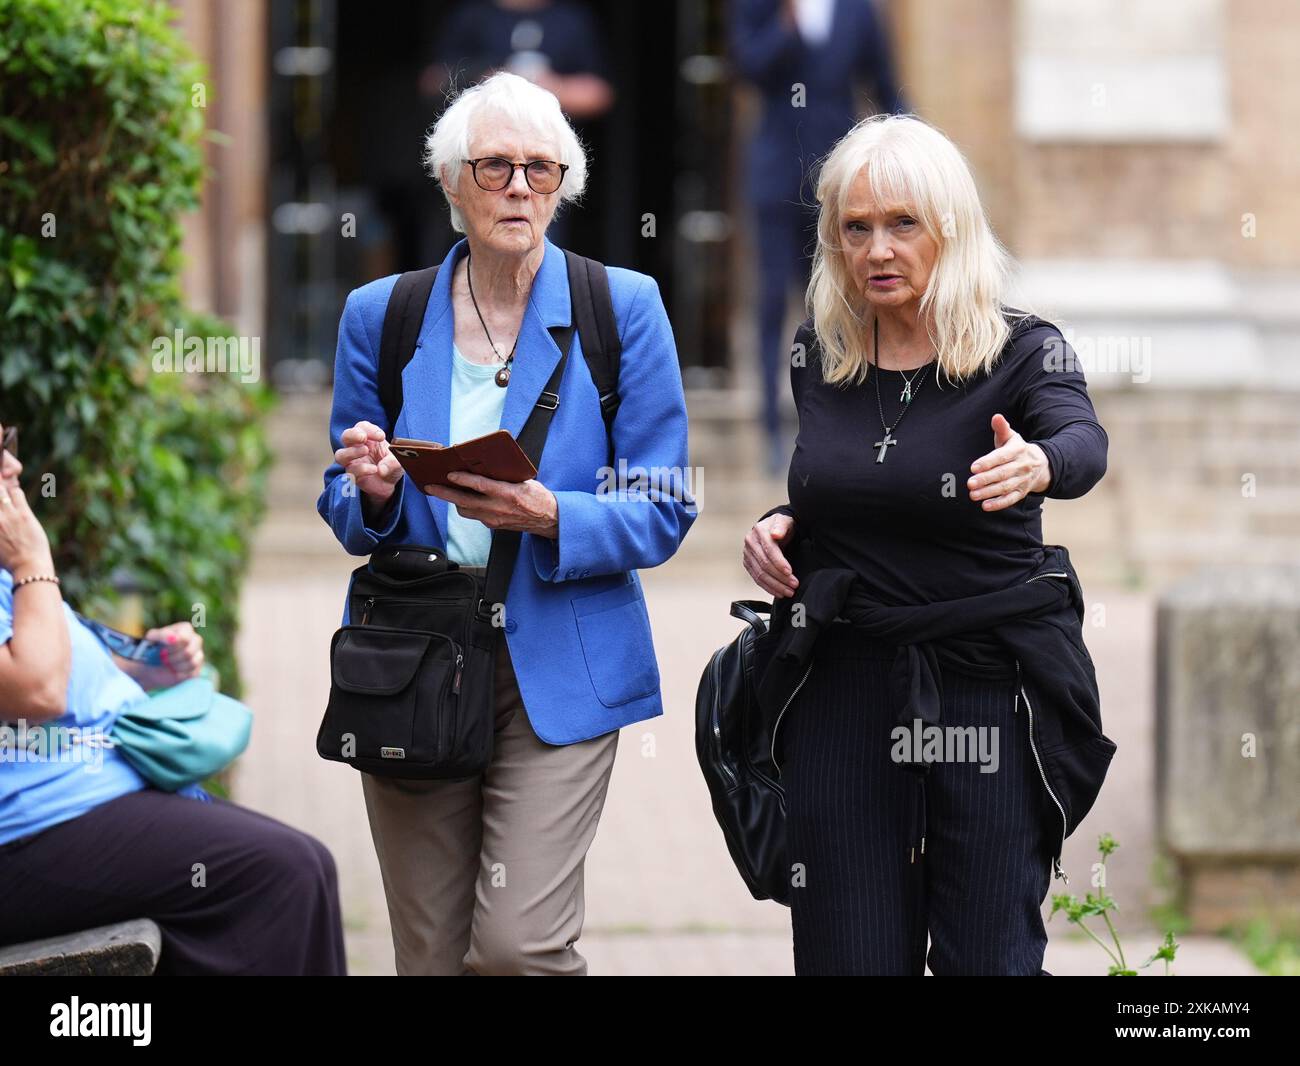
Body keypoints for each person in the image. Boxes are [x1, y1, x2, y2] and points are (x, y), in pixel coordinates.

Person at [317, 71, 696, 976]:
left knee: (519, 946)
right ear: (451, 183)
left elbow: (665, 501)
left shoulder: (623, 307)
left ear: (565, 183)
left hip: (558, 664)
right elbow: (340, 495)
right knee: (431, 954)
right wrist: (371, 490)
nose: (519, 187)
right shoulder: (384, 314)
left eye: (540, 168)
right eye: (493, 168)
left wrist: (551, 514)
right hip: (414, 655)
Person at [742, 114, 1112, 975]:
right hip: (843, 684)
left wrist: (1038, 463)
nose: (878, 248)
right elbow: (848, 483)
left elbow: (1084, 445)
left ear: (951, 227)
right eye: (856, 227)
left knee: (989, 954)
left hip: (984, 684)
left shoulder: (1026, 351)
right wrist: (779, 524)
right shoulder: (821, 352)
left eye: (903, 223)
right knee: (848, 951)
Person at [0, 423, 346, 975]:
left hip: (81, 798)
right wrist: (31, 559)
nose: (15, 467)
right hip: (26, 833)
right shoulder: (17, 563)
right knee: (287, 872)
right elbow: (37, 690)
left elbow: (51, 666)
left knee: (305, 868)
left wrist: (142, 669)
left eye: (10, 445)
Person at [731, 0, 906, 475]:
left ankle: (832, 423)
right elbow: (748, 66)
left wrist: (913, 157)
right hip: (775, 173)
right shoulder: (760, 7)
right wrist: (785, 26)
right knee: (771, 301)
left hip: (839, 180)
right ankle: (770, 427)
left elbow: (887, 85)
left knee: (839, 302)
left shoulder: (859, 10)